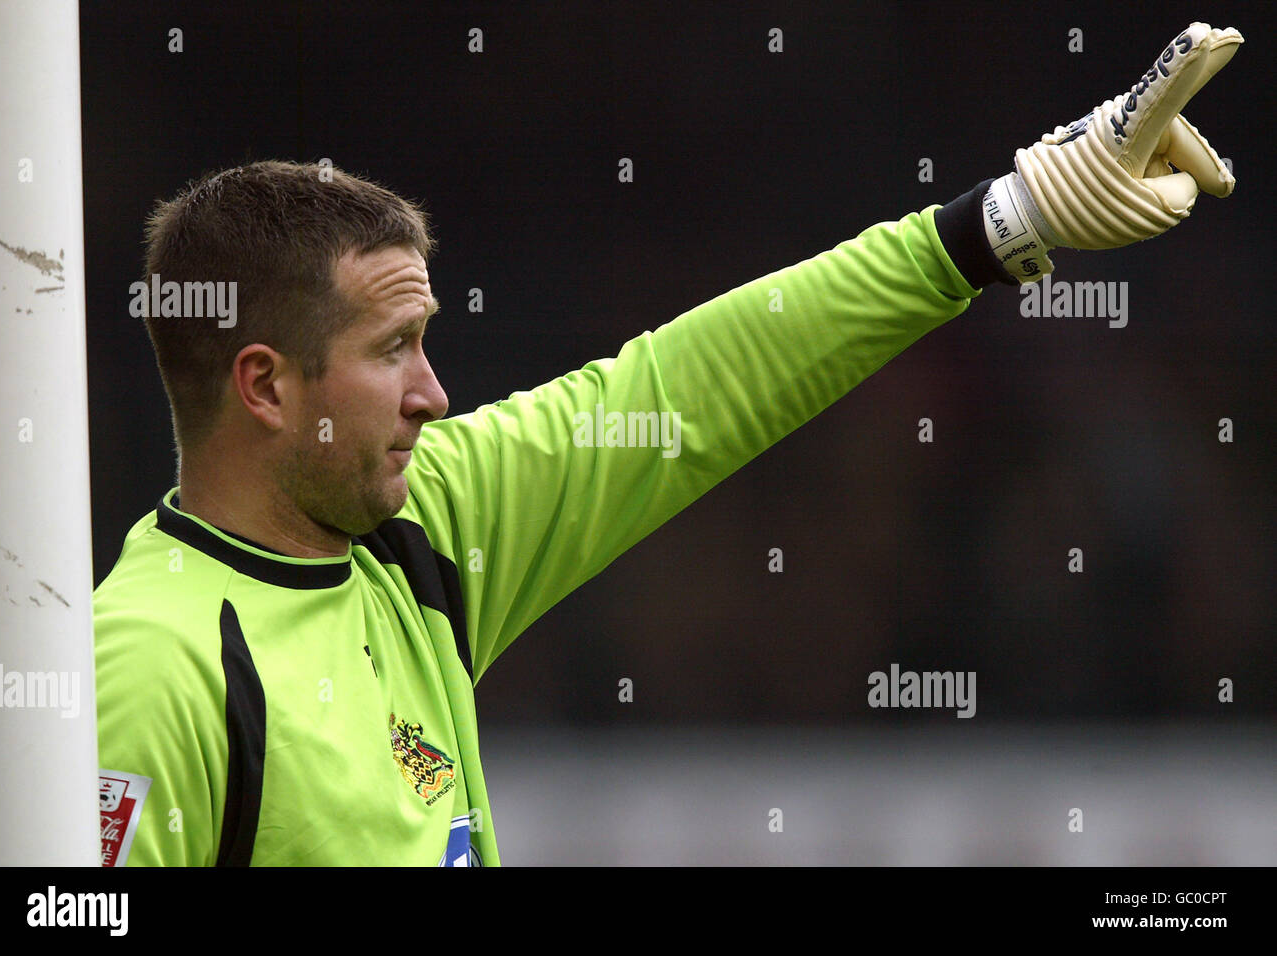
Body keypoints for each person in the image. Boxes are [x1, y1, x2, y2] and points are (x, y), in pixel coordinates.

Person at [93, 23, 1242, 865]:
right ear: (264, 385)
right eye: (392, 349)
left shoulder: (421, 529)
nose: (434, 394)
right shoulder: (152, 669)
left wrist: (1000, 222)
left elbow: (693, 383)